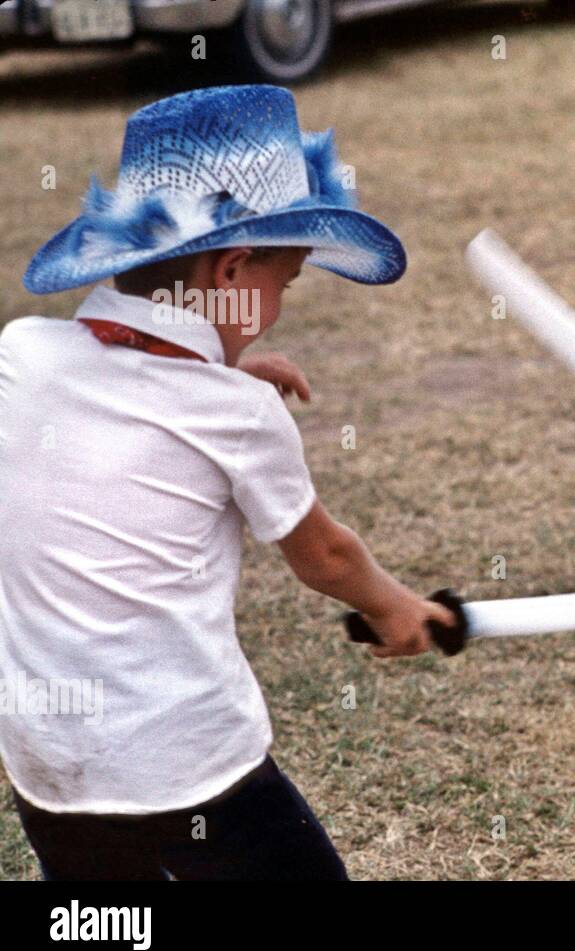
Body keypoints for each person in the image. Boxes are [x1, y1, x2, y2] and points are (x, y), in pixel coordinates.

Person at [0, 85, 454, 880]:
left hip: (47, 764)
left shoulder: (22, 355)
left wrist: (224, 367)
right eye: (287, 281)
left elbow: (121, 390)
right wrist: (398, 610)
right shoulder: (237, 414)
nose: (278, 307)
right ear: (235, 266)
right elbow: (328, 559)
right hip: (186, 764)